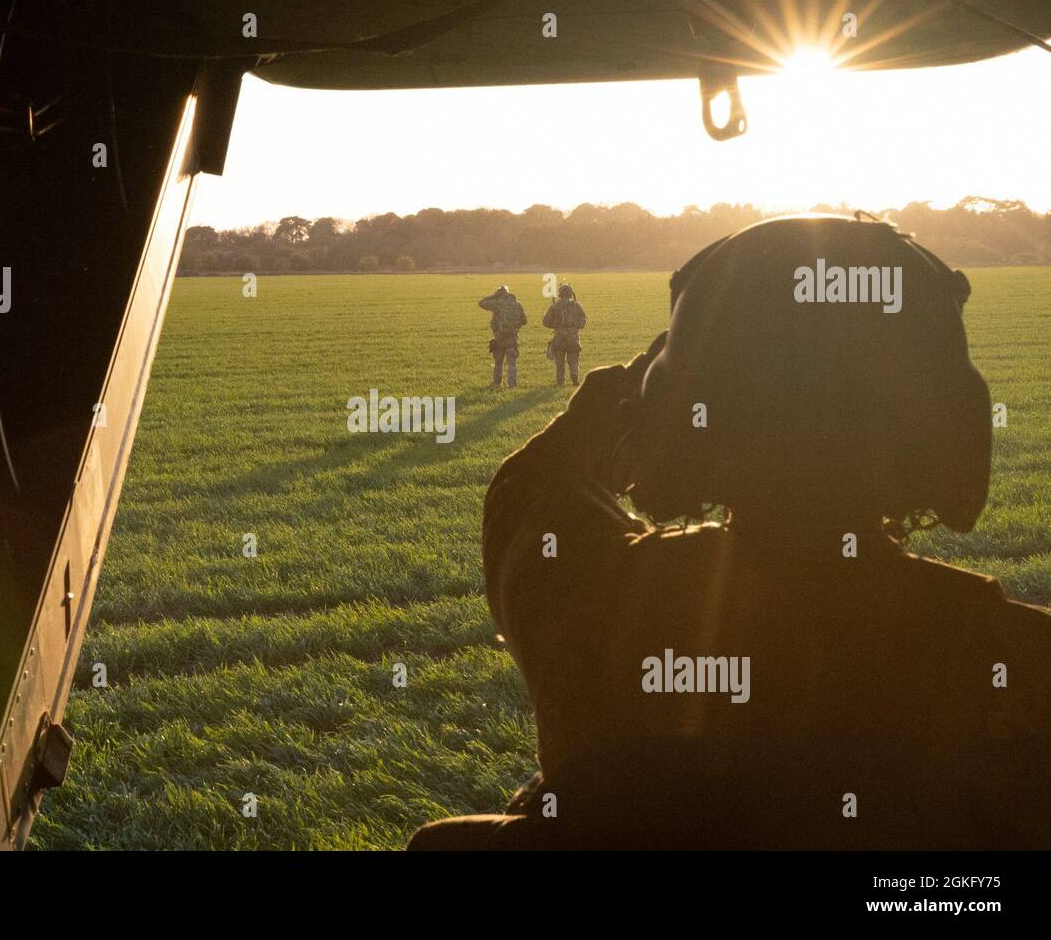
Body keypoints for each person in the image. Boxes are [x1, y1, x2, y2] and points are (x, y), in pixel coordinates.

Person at [410, 214, 1051, 850]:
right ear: (952, 427)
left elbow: (535, 490)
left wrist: (654, 379)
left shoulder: (592, 598)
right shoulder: (1018, 659)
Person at [478, 285, 527, 388]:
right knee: (512, 363)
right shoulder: (518, 304)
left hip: (499, 338)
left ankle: (497, 383)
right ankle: (512, 385)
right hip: (513, 338)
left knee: (498, 363)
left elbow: (481, 303)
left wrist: (493, 296)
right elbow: (524, 321)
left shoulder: (497, 304)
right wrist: (515, 326)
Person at [542, 283, 587, 386]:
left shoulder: (554, 306)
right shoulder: (577, 305)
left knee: (560, 363)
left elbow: (545, 322)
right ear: (571, 294)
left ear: (560, 294)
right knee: (574, 360)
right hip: (573, 338)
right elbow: (583, 320)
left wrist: (556, 325)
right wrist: (576, 327)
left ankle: (560, 382)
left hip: (559, 338)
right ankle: (574, 376)